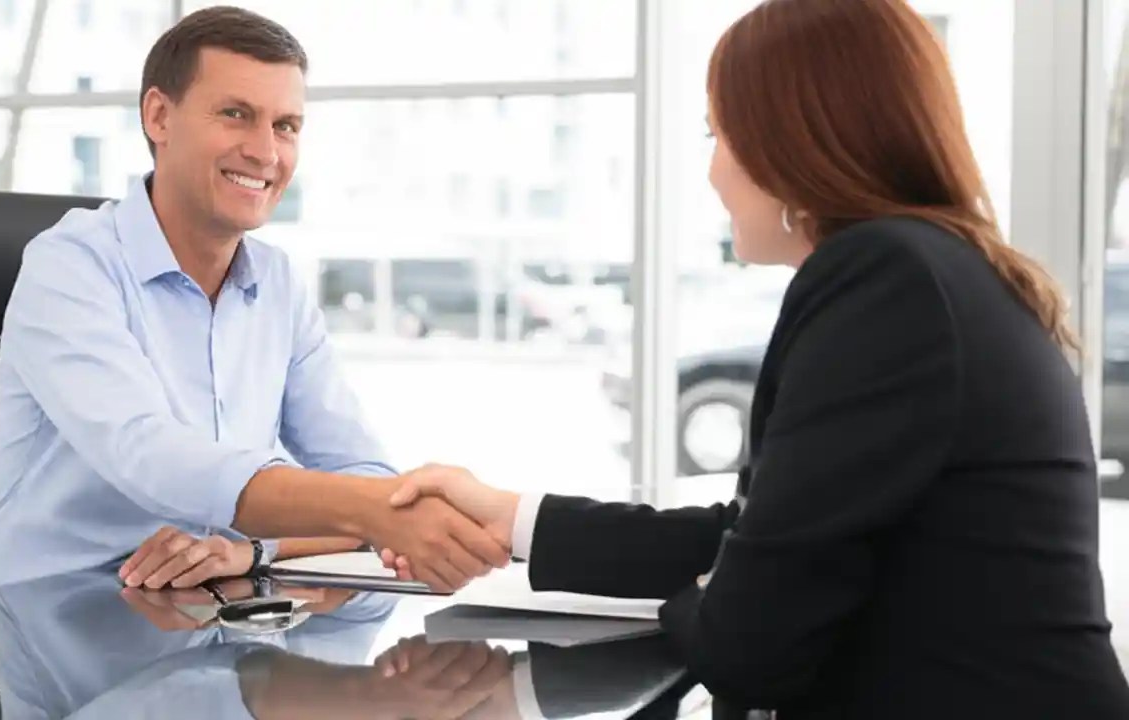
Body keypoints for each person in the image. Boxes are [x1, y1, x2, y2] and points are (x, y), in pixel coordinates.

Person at [383, 0, 1129, 717]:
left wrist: (722, 590)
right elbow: (755, 534)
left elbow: (747, 641)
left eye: (717, 134)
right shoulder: (936, 269)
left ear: (792, 138)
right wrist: (514, 518)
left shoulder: (885, 279)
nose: (712, 172)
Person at [0, 6, 508, 594]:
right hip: (43, 615)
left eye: (286, 126)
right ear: (159, 116)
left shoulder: (278, 284)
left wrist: (252, 549)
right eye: (236, 115)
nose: (265, 152)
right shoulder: (70, 264)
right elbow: (150, 456)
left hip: (198, 620)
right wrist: (380, 509)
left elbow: (364, 475)